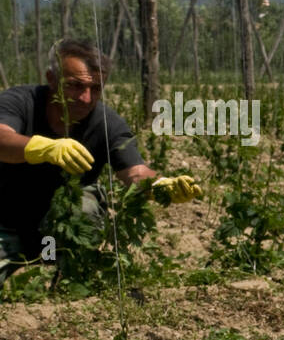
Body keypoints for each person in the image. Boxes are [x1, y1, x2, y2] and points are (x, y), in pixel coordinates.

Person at [0, 40, 202, 286]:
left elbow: (135, 171)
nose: (86, 98)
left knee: (86, 202)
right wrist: (41, 147)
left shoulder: (106, 122)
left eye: (96, 88)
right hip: (8, 224)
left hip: (65, 228)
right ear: (52, 79)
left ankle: (67, 274)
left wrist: (159, 185)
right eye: (75, 86)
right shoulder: (21, 101)